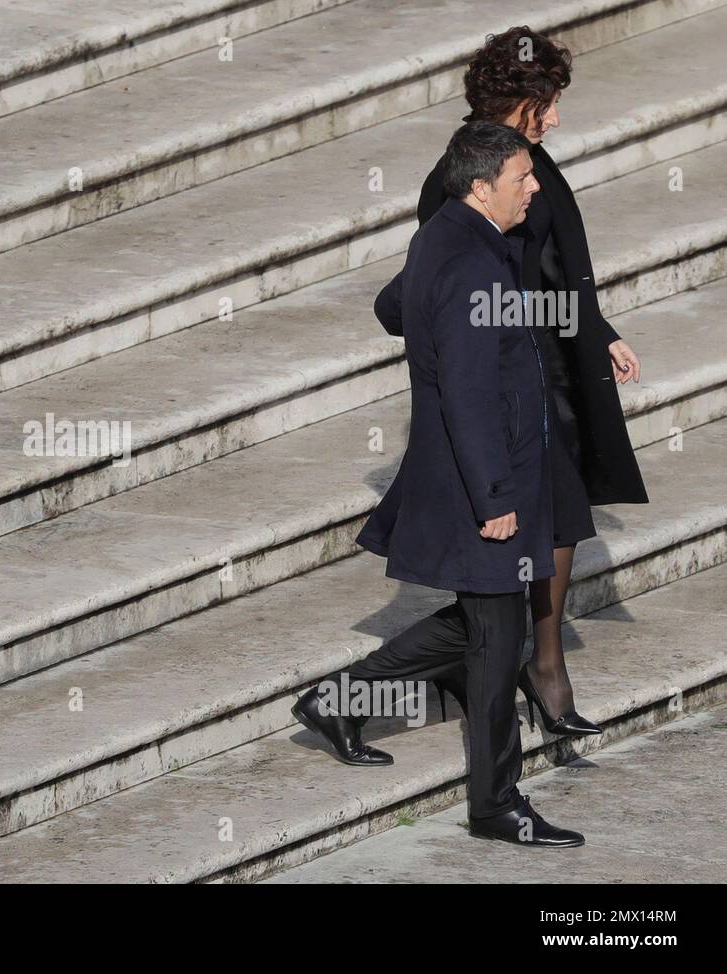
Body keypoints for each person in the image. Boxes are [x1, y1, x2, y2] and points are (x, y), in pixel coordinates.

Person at [292, 120, 583, 847]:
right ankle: (496, 804)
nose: (535, 186)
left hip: (477, 474)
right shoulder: (471, 264)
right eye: (523, 176)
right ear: (482, 186)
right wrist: (495, 501)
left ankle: (338, 701)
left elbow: (393, 307)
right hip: (480, 483)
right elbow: (468, 391)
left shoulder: (448, 239)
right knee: (495, 638)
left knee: (488, 625)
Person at [415, 26, 647, 735]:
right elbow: (444, 285)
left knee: (560, 515)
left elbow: (554, 263)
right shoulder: (467, 175)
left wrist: (597, 330)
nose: (554, 116)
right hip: (514, 374)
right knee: (554, 517)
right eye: (546, 102)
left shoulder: (526, 159)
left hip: (551, 361)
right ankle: (538, 667)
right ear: (517, 99)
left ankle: (531, 663)